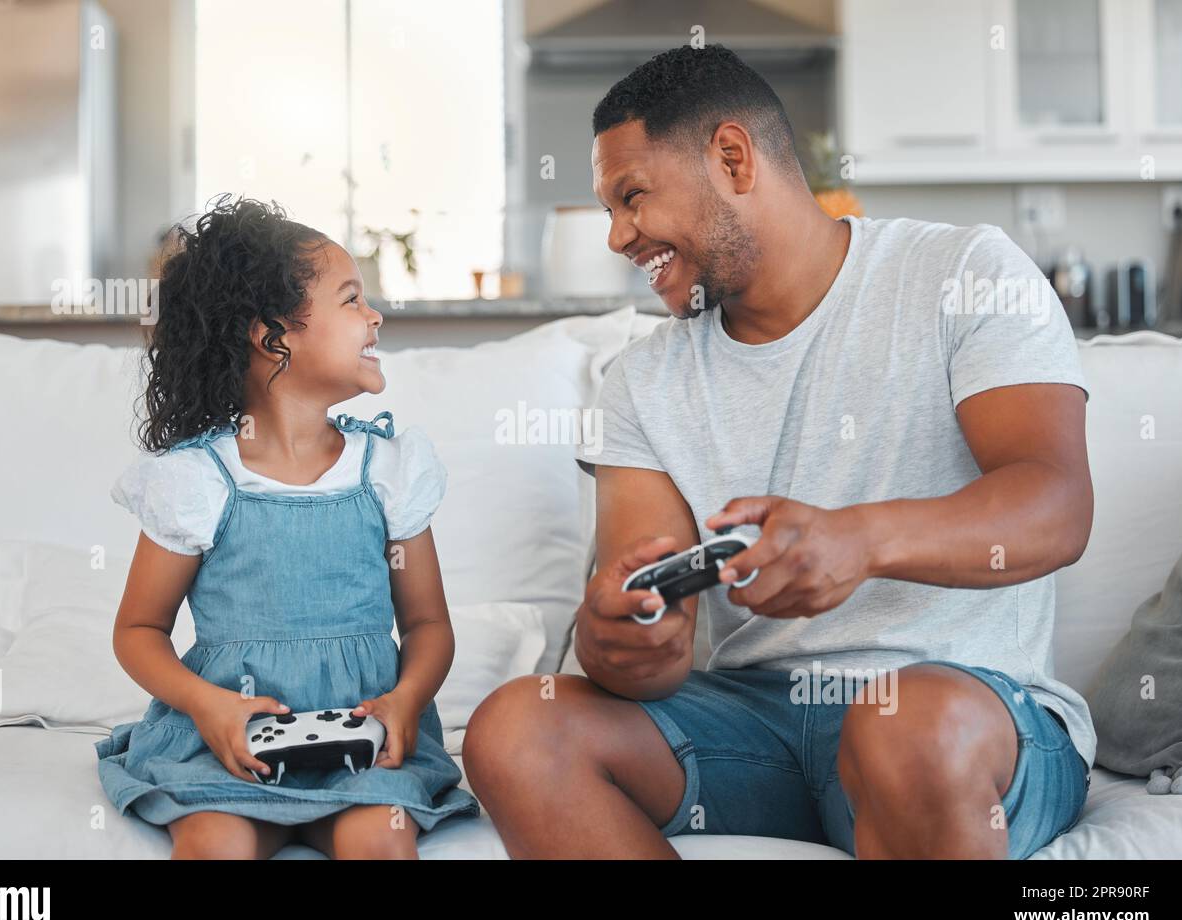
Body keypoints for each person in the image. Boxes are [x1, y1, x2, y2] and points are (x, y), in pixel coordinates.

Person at [465, 45, 1094, 859]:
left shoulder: (961, 274)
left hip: (960, 711)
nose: (620, 236)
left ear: (732, 157)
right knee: (518, 727)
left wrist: (857, 541)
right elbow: (638, 655)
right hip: (753, 721)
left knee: (906, 728)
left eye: (632, 198)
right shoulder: (643, 381)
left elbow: (1055, 503)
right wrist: (622, 639)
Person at [95, 195, 478, 859]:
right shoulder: (196, 482)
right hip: (227, 749)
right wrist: (209, 708)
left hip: (365, 756)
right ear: (273, 334)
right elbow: (138, 631)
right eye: (352, 299)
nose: (374, 315)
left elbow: (427, 625)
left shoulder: (389, 469)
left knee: (380, 843)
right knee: (214, 843)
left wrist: (406, 703)